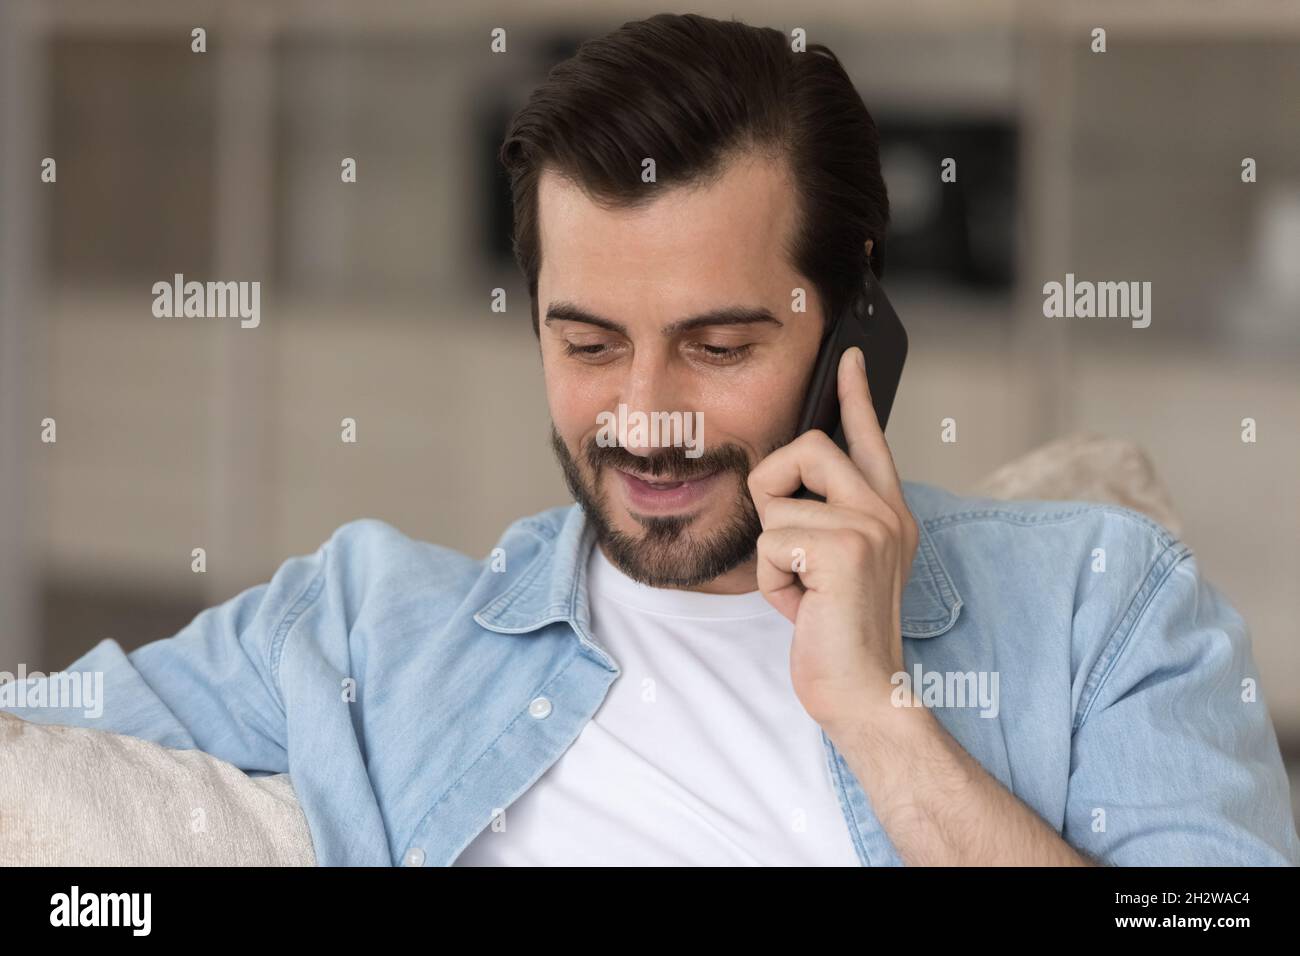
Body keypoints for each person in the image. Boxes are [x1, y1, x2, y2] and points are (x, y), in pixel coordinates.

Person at [5, 12, 1297, 866]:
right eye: (587, 343)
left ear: (850, 312)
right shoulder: (364, 632)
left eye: (718, 346)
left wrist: (883, 720)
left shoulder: (1102, 607)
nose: (645, 417)